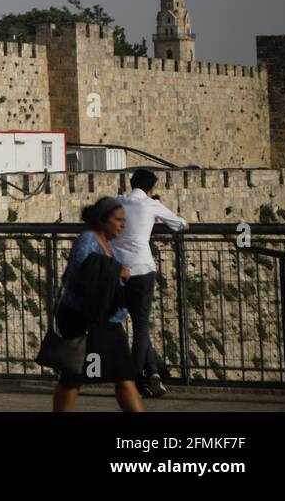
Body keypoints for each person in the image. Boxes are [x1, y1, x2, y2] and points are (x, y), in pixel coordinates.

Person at [51, 198, 143, 412]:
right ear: (103, 220)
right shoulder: (87, 239)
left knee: (124, 376)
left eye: (124, 220)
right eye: (118, 220)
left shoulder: (111, 248)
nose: (123, 225)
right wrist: (117, 271)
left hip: (108, 322)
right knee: (74, 376)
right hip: (84, 320)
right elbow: (82, 272)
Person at [113, 167, 188, 398]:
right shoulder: (151, 205)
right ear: (150, 188)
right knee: (141, 326)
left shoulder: (116, 201)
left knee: (123, 325)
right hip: (143, 269)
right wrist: (156, 205)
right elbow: (181, 225)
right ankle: (134, 380)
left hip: (118, 270)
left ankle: (151, 372)